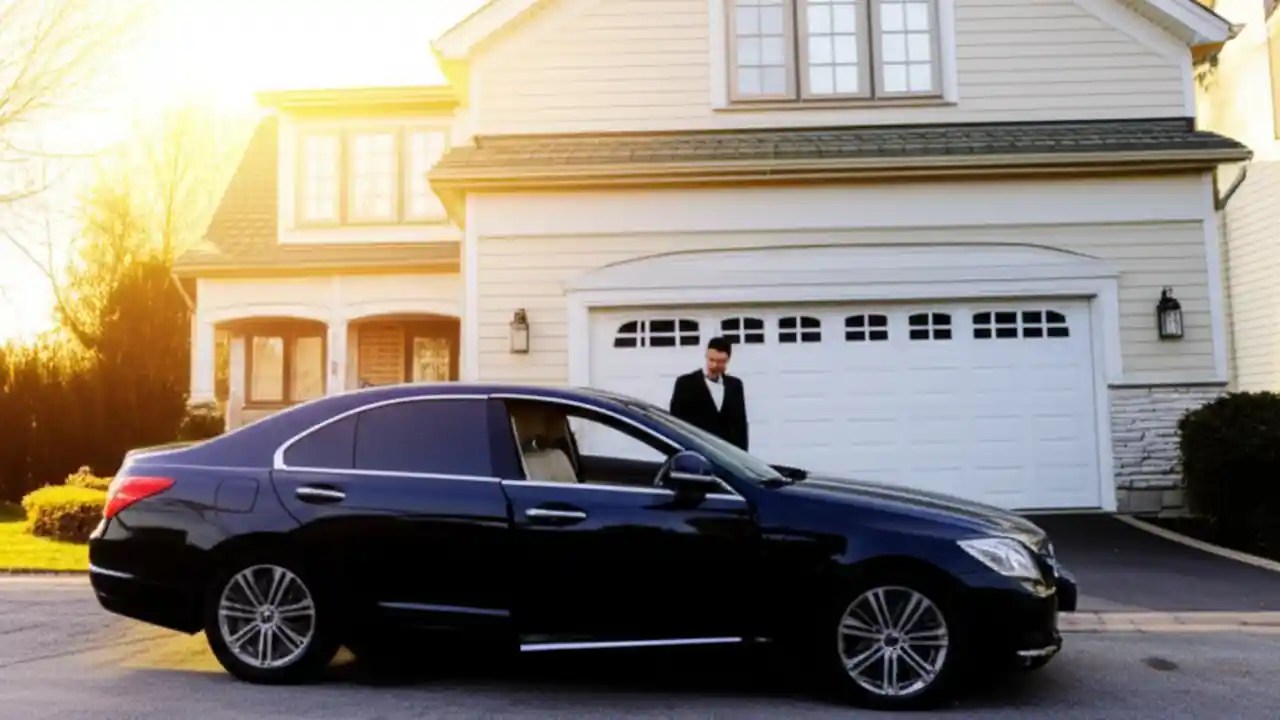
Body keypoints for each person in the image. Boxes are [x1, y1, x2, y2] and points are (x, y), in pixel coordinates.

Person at [668, 336, 748, 451]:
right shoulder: (685, 383)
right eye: (711, 360)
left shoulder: (735, 386)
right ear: (706, 356)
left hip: (727, 457)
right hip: (696, 454)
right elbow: (676, 423)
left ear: (728, 360)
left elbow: (741, 427)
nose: (714, 366)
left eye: (720, 362)